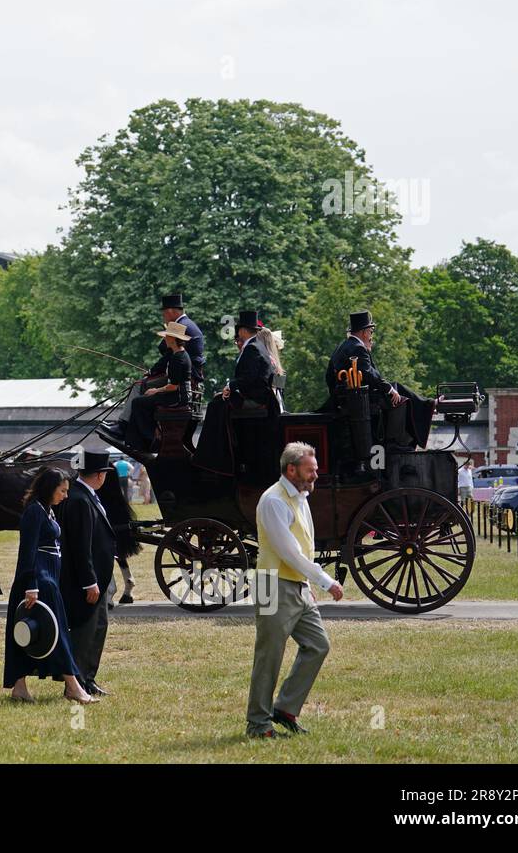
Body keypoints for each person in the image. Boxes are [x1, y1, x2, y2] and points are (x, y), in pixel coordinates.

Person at [246, 442, 343, 739]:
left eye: (315, 470)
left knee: (318, 644)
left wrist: (307, 583)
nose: (315, 475)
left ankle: (285, 709)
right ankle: (258, 724)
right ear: (291, 469)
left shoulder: (300, 496)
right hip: (271, 585)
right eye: (310, 470)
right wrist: (326, 581)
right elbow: (289, 552)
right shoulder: (274, 500)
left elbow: (304, 547)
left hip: (296, 585)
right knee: (269, 657)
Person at [5, 468, 97, 704]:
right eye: (62, 491)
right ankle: (73, 686)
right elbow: (28, 552)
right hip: (38, 581)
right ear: (49, 488)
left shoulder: (47, 511)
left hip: (49, 579)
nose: (65, 496)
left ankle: (19, 688)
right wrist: (31, 585)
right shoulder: (34, 512)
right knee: (55, 635)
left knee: (36, 633)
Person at [326, 310, 434, 449]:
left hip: (344, 397)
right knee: (396, 392)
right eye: (371, 331)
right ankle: (396, 440)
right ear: (364, 332)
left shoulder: (341, 346)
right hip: (359, 398)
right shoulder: (358, 347)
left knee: (395, 386)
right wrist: (388, 388)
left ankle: (427, 404)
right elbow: (368, 372)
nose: (371, 335)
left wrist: (335, 394)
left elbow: (329, 376)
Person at [57, 450, 117, 697]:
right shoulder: (80, 500)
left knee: (98, 627)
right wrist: (89, 581)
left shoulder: (86, 496)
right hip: (89, 581)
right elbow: (81, 546)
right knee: (85, 631)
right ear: (100, 475)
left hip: (99, 579)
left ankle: (88, 678)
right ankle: (77, 682)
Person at [192, 310, 277, 476]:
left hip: (256, 398)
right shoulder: (258, 346)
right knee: (218, 402)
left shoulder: (252, 348)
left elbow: (248, 379)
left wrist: (230, 386)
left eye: (239, 330)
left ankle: (214, 458)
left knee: (215, 406)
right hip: (258, 395)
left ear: (244, 330)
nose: (237, 334)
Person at [102, 321, 193, 456]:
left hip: (178, 397)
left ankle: (146, 440)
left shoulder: (179, 359)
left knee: (139, 402)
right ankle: (131, 435)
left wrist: (155, 390)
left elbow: (174, 386)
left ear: (173, 339)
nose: (165, 339)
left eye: (167, 336)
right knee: (141, 400)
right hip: (176, 394)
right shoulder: (175, 354)